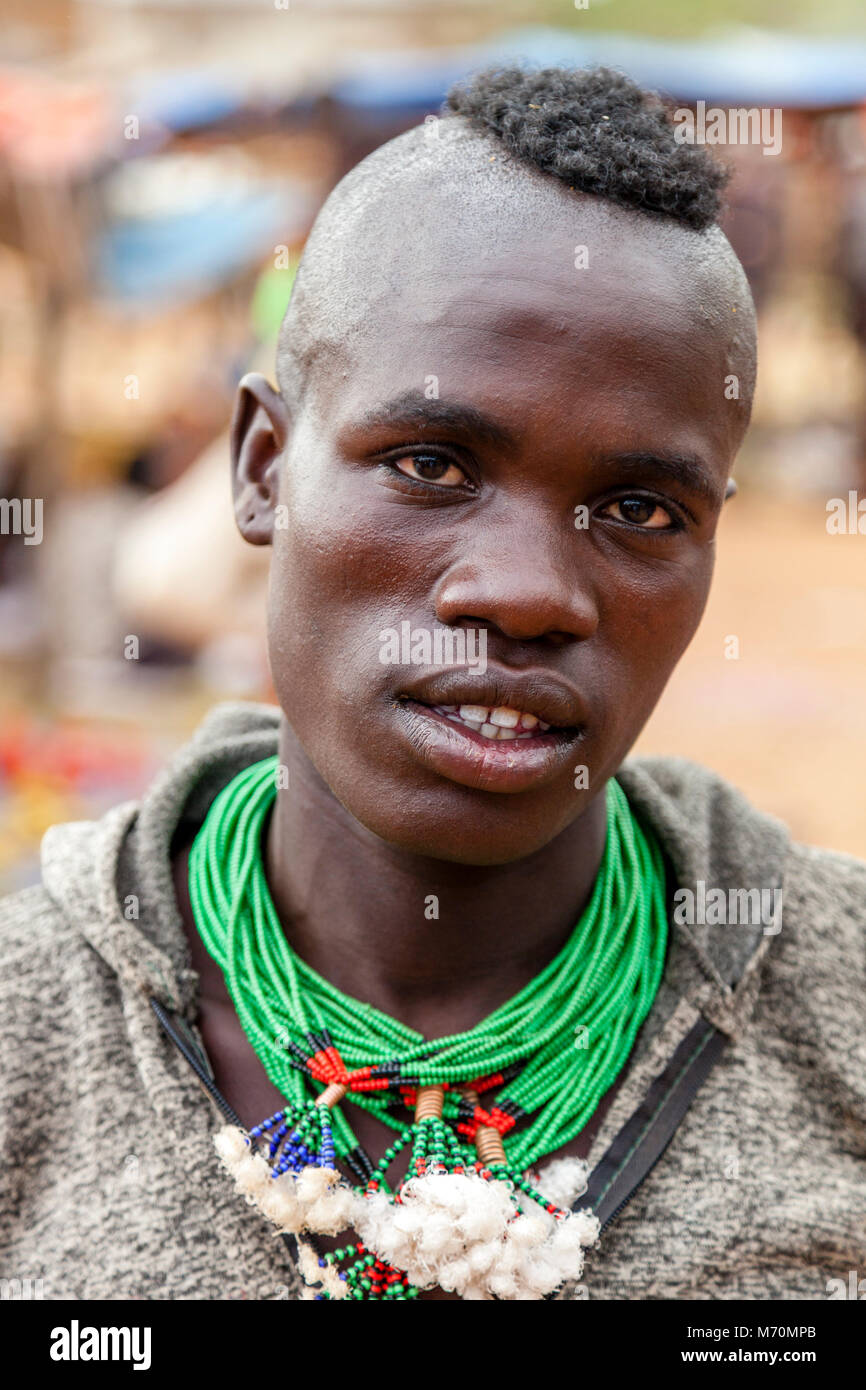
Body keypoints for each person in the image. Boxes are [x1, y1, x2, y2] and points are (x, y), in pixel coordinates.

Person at [1, 65, 863, 1303]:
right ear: (263, 469)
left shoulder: (837, 1015)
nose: (523, 593)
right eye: (429, 462)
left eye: (635, 508)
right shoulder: (26, 1032)